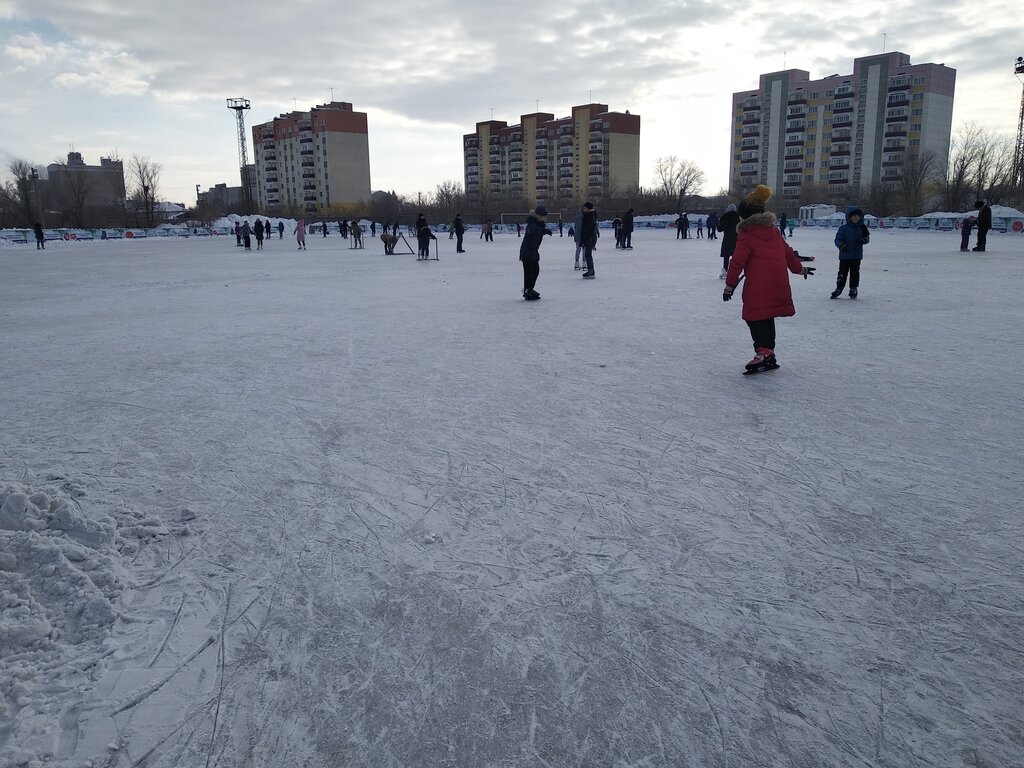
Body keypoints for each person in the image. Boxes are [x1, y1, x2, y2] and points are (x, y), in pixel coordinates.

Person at [722, 185, 814, 372]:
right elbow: (788, 254)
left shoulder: (747, 234)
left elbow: (737, 262)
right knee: (767, 315)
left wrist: (729, 286)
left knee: (754, 316)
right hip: (778, 284)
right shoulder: (773, 231)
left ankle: (763, 352)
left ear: (745, 216)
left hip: (758, 287)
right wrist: (801, 270)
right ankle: (769, 352)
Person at [831, 206, 870, 299]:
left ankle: (853, 288)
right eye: (854, 216)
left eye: (858, 216)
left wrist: (863, 240)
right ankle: (839, 288)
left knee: (855, 273)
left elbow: (867, 238)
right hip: (845, 255)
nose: (856, 218)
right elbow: (838, 239)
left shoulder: (862, 228)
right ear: (849, 217)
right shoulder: (843, 229)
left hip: (856, 256)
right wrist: (841, 246)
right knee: (842, 273)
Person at [519, 206, 551, 300]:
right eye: (543, 216)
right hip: (528, 251)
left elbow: (537, 229)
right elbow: (533, 229)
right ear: (538, 215)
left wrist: (543, 231)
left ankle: (528, 290)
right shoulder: (532, 222)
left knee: (533, 271)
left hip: (532, 251)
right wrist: (544, 231)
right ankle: (528, 290)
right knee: (531, 271)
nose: (544, 218)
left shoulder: (538, 223)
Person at [717, 204, 740, 279]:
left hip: (727, 239)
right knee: (735, 257)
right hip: (736, 239)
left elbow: (720, 229)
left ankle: (725, 270)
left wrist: (718, 223)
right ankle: (734, 272)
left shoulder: (725, 217)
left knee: (726, 256)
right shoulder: (739, 217)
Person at [579, 202, 599, 279]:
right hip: (589, 238)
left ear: (588, 209)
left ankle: (591, 271)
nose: (583, 209)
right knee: (587, 255)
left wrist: (586, 240)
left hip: (589, 239)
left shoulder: (589, 216)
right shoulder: (589, 215)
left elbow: (588, 230)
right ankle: (591, 270)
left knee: (588, 255)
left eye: (585, 208)